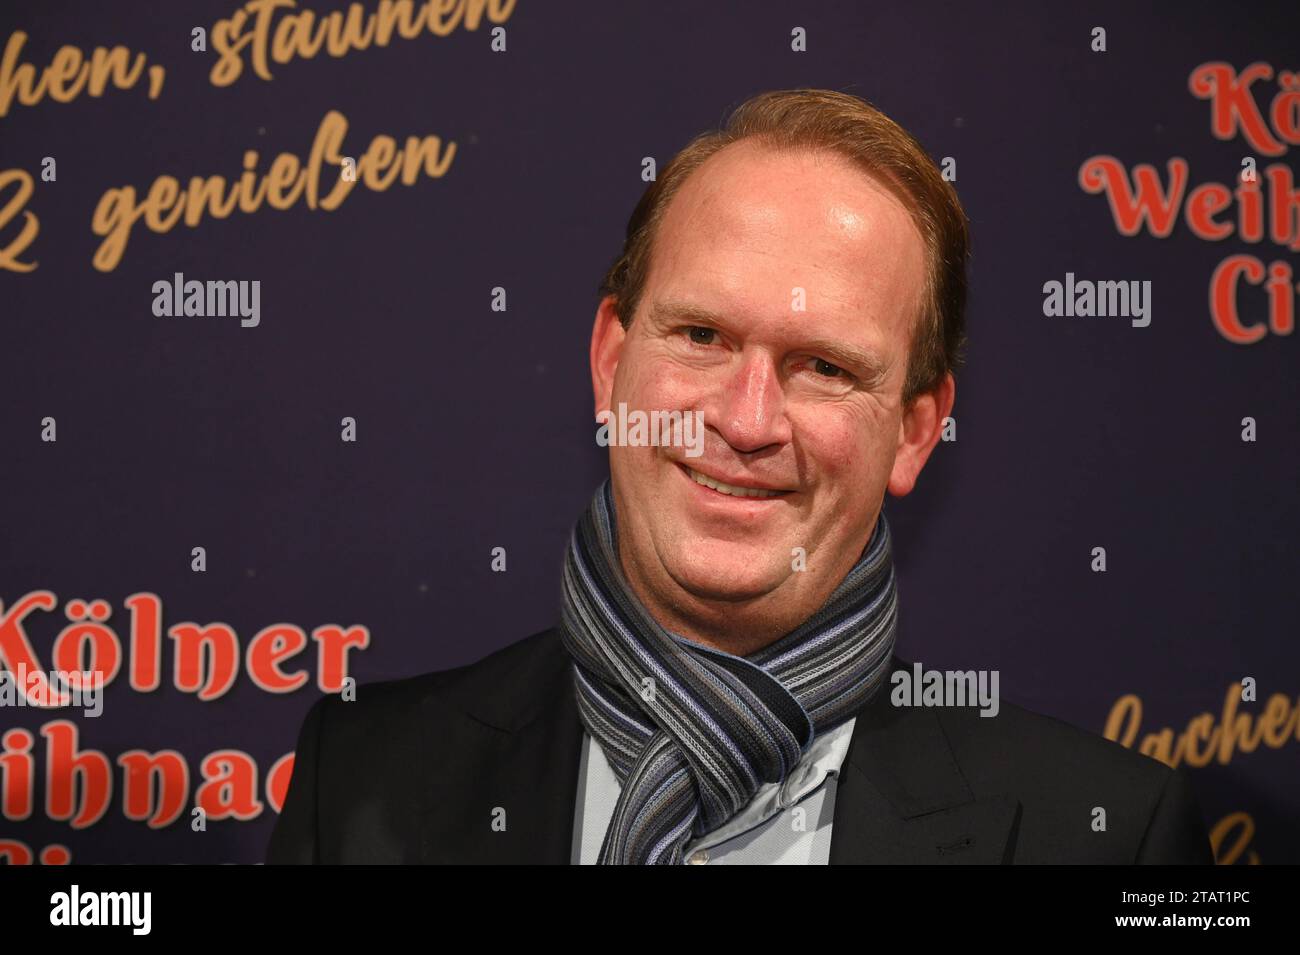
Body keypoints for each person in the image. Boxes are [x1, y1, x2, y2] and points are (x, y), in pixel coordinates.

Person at [266, 88, 1215, 865]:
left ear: (917, 431)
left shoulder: (1106, 837)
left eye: (826, 367)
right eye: (702, 336)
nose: (747, 420)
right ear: (609, 362)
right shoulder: (362, 781)